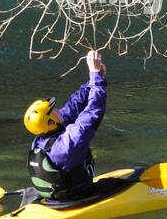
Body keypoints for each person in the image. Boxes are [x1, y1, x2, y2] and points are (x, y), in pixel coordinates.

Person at [24, 49, 107, 202]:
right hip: (75, 196)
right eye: (52, 111)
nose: (57, 110)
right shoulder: (68, 143)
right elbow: (94, 111)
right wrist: (95, 75)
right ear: (50, 122)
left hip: (57, 194)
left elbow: (73, 105)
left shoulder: (42, 138)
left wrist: (94, 80)